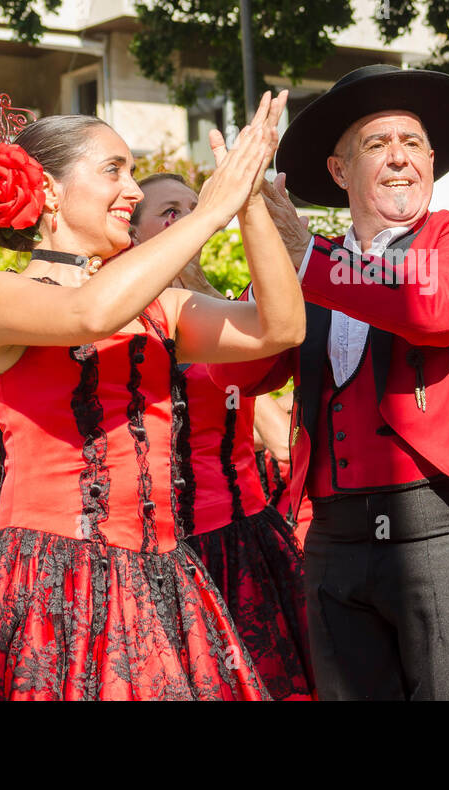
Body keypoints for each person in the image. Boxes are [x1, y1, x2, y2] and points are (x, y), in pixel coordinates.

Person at [0, 91, 304, 700]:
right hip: (50, 574)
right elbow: (89, 312)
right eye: (114, 170)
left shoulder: (161, 304)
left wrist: (249, 203)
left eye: (132, 172)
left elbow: (279, 328)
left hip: (163, 574)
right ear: (49, 190)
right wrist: (205, 214)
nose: (132, 192)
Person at [208, 64, 449, 700]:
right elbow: (233, 369)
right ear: (338, 171)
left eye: (413, 144)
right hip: (335, 532)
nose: (400, 159)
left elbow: (433, 308)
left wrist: (301, 255)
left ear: (433, 161)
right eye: (377, 145)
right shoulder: (307, 263)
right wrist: (249, 223)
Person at [129, 172, 314, 701]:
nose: (188, 219)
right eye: (170, 211)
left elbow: (274, 420)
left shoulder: (228, 311)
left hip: (241, 536)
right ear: (134, 233)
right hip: (158, 546)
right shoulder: (121, 318)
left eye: (197, 207)